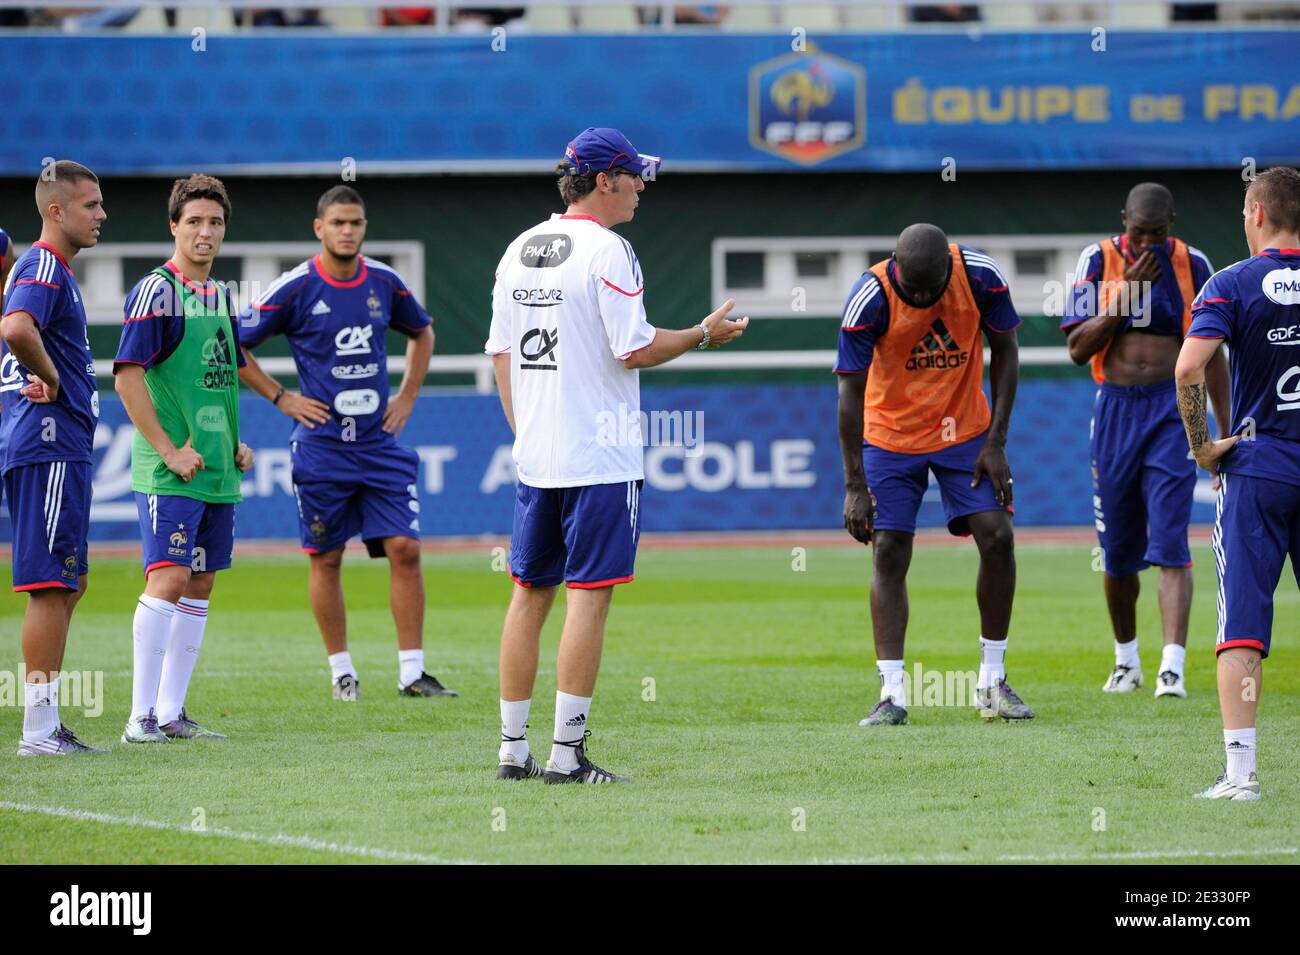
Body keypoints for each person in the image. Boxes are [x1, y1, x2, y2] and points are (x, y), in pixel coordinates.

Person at [487, 127, 748, 782]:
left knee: (528, 594)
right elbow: (633, 347)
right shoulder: (610, 250)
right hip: (600, 456)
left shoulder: (518, 247)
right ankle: (566, 756)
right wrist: (703, 334)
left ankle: (512, 751)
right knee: (589, 596)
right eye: (635, 177)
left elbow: (499, 352)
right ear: (604, 180)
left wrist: (524, 431)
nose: (640, 188)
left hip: (538, 455)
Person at [237, 185, 452, 701]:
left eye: (355, 223)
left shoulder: (384, 281)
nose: (348, 231)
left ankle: (412, 673)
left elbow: (422, 332)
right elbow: (233, 340)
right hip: (321, 447)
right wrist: (280, 397)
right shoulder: (294, 287)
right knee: (327, 557)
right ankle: (342, 673)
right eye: (338, 223)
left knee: (404, 548)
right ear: (320, 229)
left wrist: (407, 395)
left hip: (379, 443)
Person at [836, 223, 1031, 725]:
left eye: (931, 288)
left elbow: (1006, 352)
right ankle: (893, 694)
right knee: (890, 550)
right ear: (896, 267)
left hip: (965, 432)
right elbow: (849, 394)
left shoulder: (981, 275)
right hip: (891, 435)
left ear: (949, 267)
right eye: (913, 288)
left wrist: (997, 441)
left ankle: (992, 681)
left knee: (999, 537)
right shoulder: (870, 295)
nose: (922, 297)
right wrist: (855, 484)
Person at [1061, 183, 1227, 698]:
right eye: (1138, 232)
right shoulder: (1096, 260)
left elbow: (1212, 353)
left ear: (1172, 225)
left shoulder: (1195, 265)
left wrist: (1223, 429)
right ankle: (1126, 660)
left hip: (1173, 409)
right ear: (1123, 222)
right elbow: (1076, 346)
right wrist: (1126, 292)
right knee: (1117, 551)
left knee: (1172, 542)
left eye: (1158, 233)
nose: (1147, 243)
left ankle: (1171, 667)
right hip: (1115, 409)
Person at [1175, 165, 1300, 800]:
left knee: (1244, 621)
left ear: (1256, 213)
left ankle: (1242, 776)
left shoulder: (1230, 282)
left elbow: (1191, 366)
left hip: (1261, 465)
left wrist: (1203, 446)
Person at [113, 174, 253, 743]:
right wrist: (169, 450)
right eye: (193, 221)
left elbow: (222, 378)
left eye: (215, 222)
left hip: (215, 471)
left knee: (200, 584)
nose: (205, 232)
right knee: (168, 578)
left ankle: (171, 712)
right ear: (173, 225)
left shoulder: (221, 296)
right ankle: (138, 717)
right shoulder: (156, 291)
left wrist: (234, 442)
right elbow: (126, 378)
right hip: (170, 470)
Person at [0, 160, 106, 755]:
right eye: (90, 204)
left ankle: (46, 721)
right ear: (55, 210)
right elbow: (16, 328)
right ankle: (38, 731)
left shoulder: (51, 270)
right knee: (50, 583)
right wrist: (54, 378)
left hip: (53, 443)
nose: (102, 214)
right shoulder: (42, 263)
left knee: (70, 579)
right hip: (48, 443)